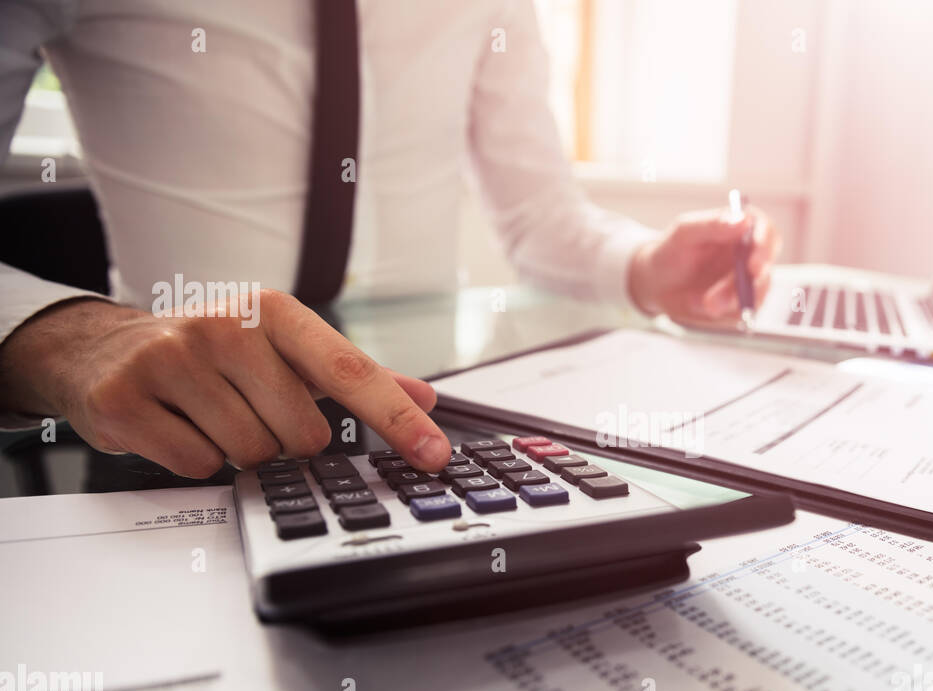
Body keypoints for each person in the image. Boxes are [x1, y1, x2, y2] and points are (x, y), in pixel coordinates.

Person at [0, 0, 779, 478]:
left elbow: (541, 218)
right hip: (183, 428)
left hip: (434, 413)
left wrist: (646, 268)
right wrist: (76, 342)